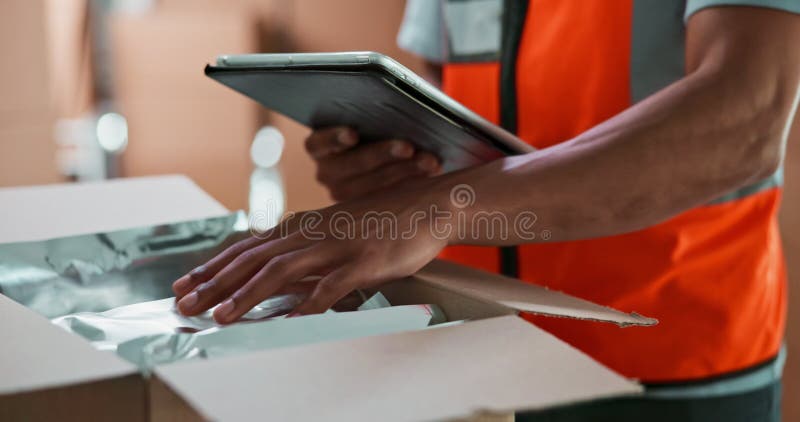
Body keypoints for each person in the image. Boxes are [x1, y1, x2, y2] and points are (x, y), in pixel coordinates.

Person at [172, 1, 800, 420]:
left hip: (665, 366)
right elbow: (444, 106)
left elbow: (744, 120)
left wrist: (437, 208)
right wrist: (389, 169)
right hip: (467, 341)